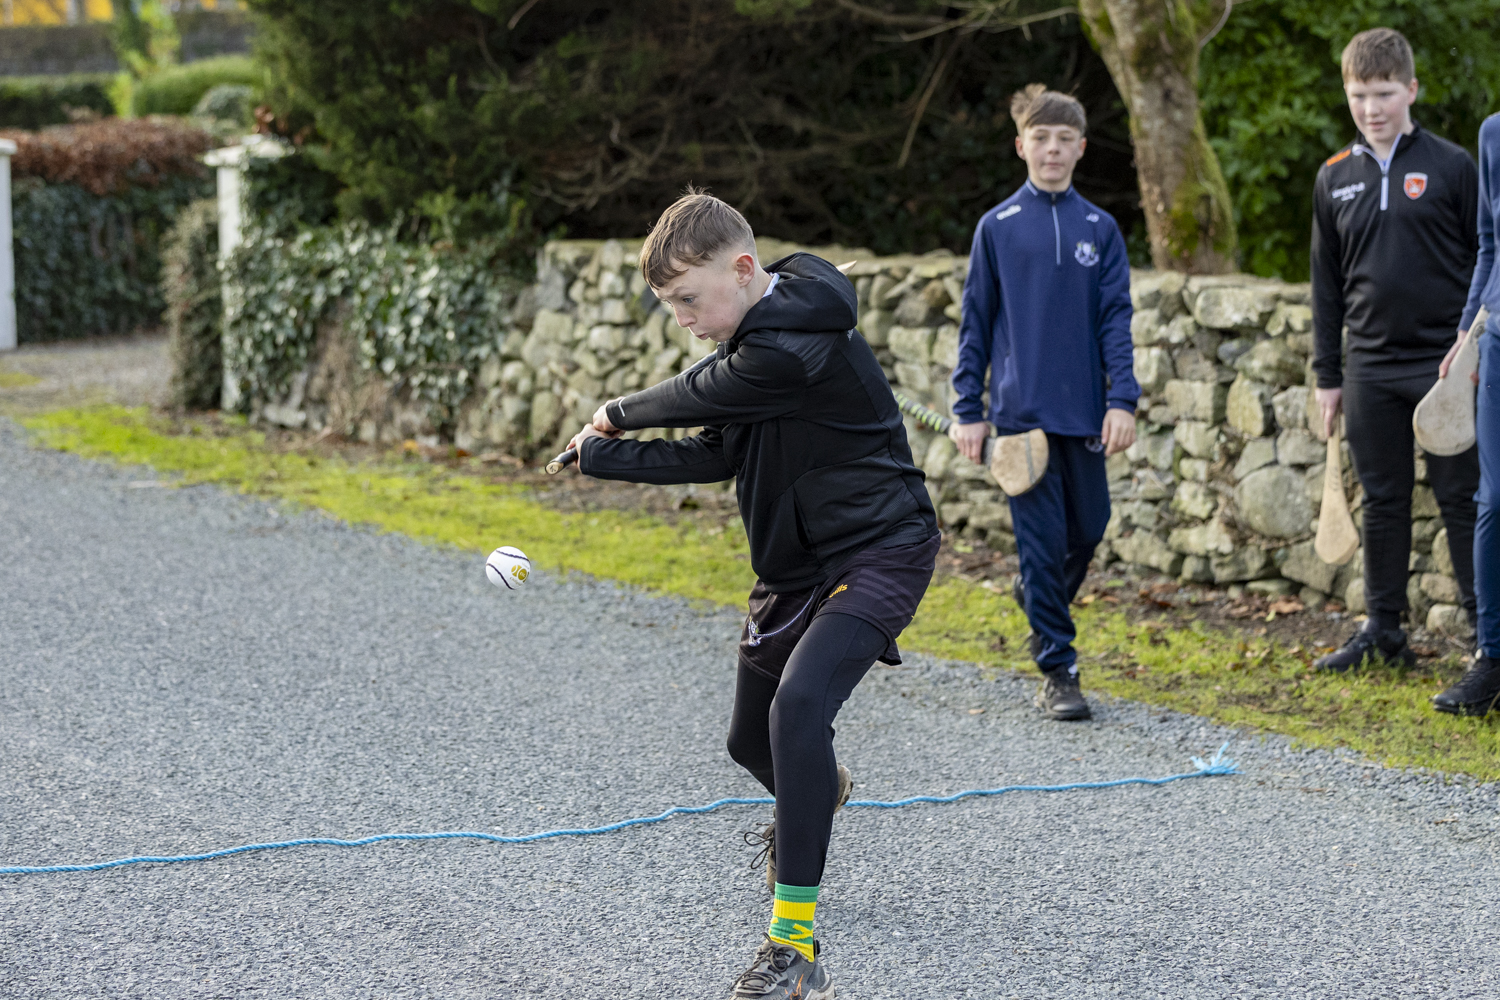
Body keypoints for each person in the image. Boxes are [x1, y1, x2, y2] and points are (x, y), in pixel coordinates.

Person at [566, 191, 939, 999]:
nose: (684, 321)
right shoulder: (763, 328)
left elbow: (698, 392)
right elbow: (710, 453)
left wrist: (617, 414)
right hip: (793, 570)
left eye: (688, 301)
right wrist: (601, 461)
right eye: (670, 307)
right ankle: (820, 791)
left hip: (881, 547)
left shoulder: (786, 352)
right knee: (750, 742)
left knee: (799, 712)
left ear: (741, 270)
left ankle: (792, 947)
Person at [950, 84, 1138, 722]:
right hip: (1018, 419)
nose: (1052, 150)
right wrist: (967, 409)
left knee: (1089, 527)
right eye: (1040, 138)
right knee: (1040, 540)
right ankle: (1058, 668)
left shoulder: (1101, 229)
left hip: (1085, 413)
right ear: (1021, 145)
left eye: (1064, 140)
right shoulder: (997, 228)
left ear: (1081, 148)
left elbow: (1117, 319)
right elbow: (975, 322)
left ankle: (1036, 596)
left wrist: (1124, 401)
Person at [1310, 28, 1480, 672]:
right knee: (1382, 500)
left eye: (1384, 93)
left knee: (1461, 501)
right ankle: (1383, 633)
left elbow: (1485, 263)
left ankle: (1485, 639)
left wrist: (1473, 351)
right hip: (1370, 370)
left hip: (1444, 368)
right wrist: (1329, 376)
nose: (1371, 107)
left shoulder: (1453, 166)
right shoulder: (1333, 178)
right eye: (1359, 95)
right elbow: (1325, 288)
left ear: (1411, 90)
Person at [1433, 110, 1500, 715]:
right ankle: (1491, 660)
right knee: (1494, 499)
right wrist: (1467, 333)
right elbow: (1489, 243)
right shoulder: (1494, 134)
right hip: (1498, 342)